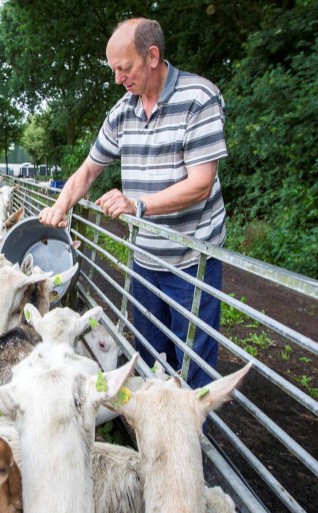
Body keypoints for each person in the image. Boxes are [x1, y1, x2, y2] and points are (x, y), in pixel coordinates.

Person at [38, 17, 227, 389]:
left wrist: (138, 206)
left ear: (152, 56)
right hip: (145, 258)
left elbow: (201, 184)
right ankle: (157, 425)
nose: (117, 79)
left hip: (190, 261)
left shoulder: (199, 99)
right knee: (150, 356)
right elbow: (88, 171)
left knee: (193, 364)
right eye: (113, 70)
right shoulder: (124, 111)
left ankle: (196, 437)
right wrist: (61, 206)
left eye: (124, 68)